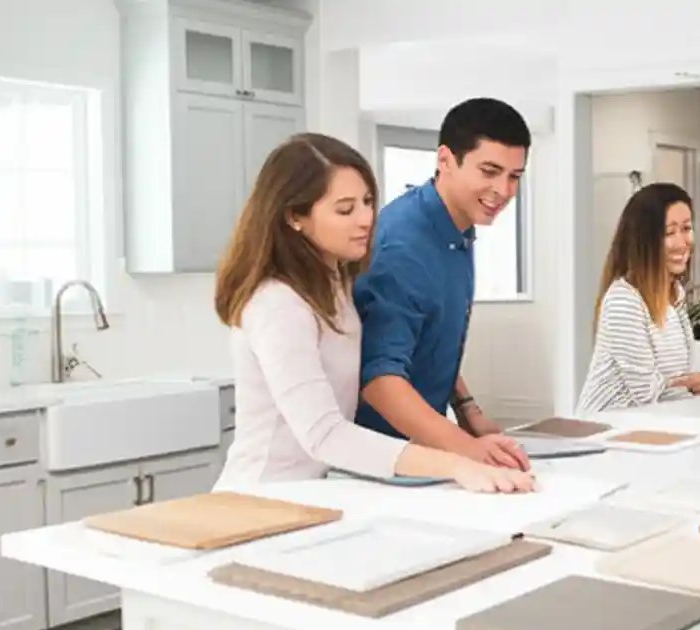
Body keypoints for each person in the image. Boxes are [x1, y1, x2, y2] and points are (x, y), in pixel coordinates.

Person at [212, 132, 534, 493]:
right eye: (345, 209)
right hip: (259, 498)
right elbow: (325, 434)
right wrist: (457, 463)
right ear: (295, 216)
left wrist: (467, 419)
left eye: (367, 202)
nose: (366, 218)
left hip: (310, 494)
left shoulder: (336, 287)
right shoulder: (278, 303)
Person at [354, 98, 532, 471]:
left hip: (422, 448)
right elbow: (379, 380)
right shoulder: (403, 245)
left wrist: (466, 409)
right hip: (377, 460)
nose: (503, 190)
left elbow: (429, 336)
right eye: (489, 171)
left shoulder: (458, 227)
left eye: (514, 176)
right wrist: (468, 450)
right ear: (445, 160)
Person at [576, 182, 700, 415]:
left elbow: (684, 374)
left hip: (653, 426)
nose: (683, 242)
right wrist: (698, 385)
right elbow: (647, 394)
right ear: (644, 241)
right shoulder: (624, 300)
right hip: (605, 433)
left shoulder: (675, 293)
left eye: (687, 228)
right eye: (669, 233)